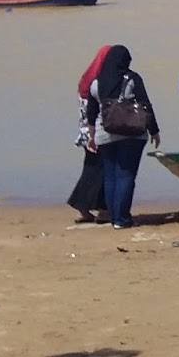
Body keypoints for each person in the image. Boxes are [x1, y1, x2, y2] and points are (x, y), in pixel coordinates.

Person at [85, 45, 160, 229]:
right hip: (132, 134)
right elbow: (145, 105)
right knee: (126, 175)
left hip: (106, 133)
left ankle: (113, 217)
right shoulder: (132, 78)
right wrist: (154, 130)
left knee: (110, 176)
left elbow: (91, 112)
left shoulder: (96, 83)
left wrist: (91, 136)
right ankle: (122, 218)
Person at [67, 46, 111, 224]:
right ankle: (99, 209)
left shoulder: (86, 80)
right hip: (98, 133)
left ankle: (86, 209)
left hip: (86, 132)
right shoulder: (100, 83)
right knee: (101, 172)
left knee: (91, 169)